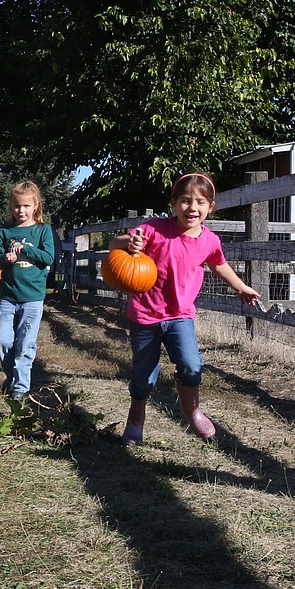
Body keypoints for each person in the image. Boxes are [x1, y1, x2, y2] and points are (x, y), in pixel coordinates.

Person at [109, 172, 260, 446]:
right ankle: (136, 417)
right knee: (143, 375)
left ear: (210, 207)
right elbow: (113, 244)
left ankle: (190, 409)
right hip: (145, 314)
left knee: (191, 365)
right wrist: (127, 243)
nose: (192, 208)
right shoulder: (154, 229)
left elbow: (219, 264)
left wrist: (241, 287)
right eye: (185, 201)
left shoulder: (209, 240)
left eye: (200, 202)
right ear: (174, 203)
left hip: (180, 315)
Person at [0, 181, 56, 400]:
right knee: (2, 338)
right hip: (9, 296)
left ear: (36, 206)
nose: (21, 210)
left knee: (25, 342)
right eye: (17, 206)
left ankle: (20, 385)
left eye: (26, 206)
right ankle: (12, 375)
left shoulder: (43, 231)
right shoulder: (5, 231)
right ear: (11, 207)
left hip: (32, 298)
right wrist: (7, 258)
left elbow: (49, 257)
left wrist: (28, 248)